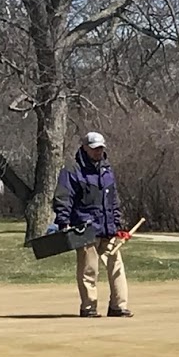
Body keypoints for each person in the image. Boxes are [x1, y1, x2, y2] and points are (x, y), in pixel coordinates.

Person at [53, 131, 132, 318]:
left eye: (101, 148)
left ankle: (118, 306)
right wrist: (64, 222)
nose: (98, 152)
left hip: (108, 228)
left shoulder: (107, 170)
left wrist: (117, 222)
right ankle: (89, 307)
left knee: (116, 267)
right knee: (89, 269)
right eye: (95, 149)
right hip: (85, 229)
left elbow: (113, 200)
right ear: (85, 148)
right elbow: (63, 197)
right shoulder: (72, 170)